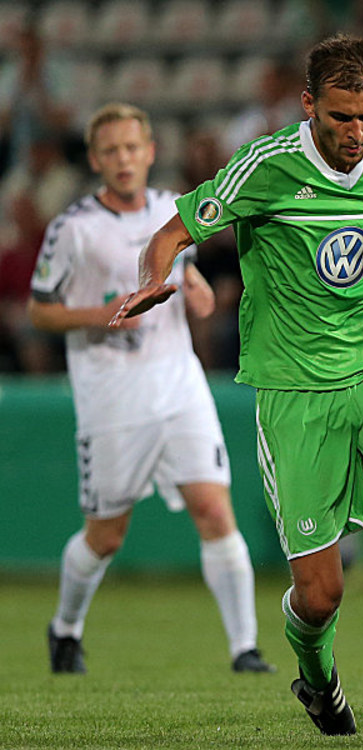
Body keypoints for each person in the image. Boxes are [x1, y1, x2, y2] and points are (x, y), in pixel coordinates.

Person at [110, 35, 363, 742]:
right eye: (341, 118)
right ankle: (317, 673)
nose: (357, 134)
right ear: (309, 106)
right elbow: (174, 229)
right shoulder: (266, 168)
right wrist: (155, 280)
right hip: (298, 393)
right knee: (320, 594)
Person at [27, 103, 274, 676]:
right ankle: (65, 628)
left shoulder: (173, 210)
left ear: (150, 151)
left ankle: (245, 649)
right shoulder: (73, 229)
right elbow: (39, 313)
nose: (123, 160)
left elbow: (184, 269)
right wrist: (99, 312)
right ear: (95, 160)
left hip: (179, 383)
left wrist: (198, 289)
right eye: (110, 151)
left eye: (132, 148)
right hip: (111, 394)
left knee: (214, 510)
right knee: (107, 535)